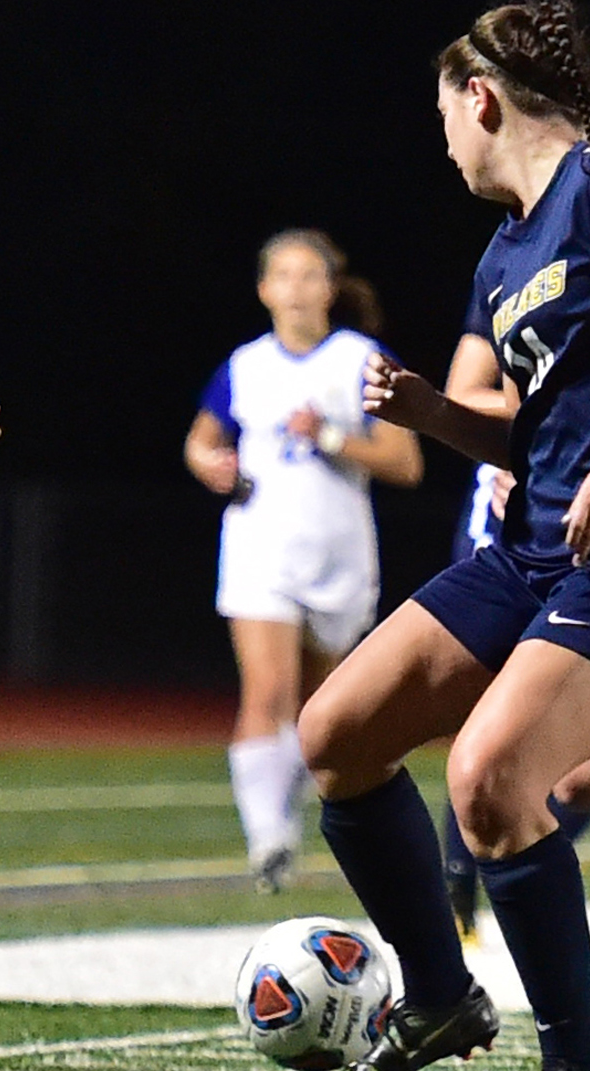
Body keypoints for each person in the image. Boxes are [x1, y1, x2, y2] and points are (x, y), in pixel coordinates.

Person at [297, 2, 590, 1071]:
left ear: (481, 99)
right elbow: (541, 428)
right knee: (336, 734)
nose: (447, 143)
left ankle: (573, 1063)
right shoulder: (506, 254)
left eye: (446, 118)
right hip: (531, 550)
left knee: (491, 779)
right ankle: (439, 1000)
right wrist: (434, 414)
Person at [183, 230, 423, 893]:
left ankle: (308, 824)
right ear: (264, 290)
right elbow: (200, 445)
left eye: (307, 275)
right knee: (268, 693)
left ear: (329, 287)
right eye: (281, 276)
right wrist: (213, 466)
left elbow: (405, 461)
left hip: (340, 556)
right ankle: (268, 839)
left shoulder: (361, 360)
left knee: (323, 716)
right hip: (260, 549)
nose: (294, 288)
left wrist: (330, 434)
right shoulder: (245, 366)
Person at [433, 344, 590, 948]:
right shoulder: (511, 266)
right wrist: (523, 442)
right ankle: (461, 894)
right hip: (519, 526)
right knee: (477, 729)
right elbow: (464, 392)